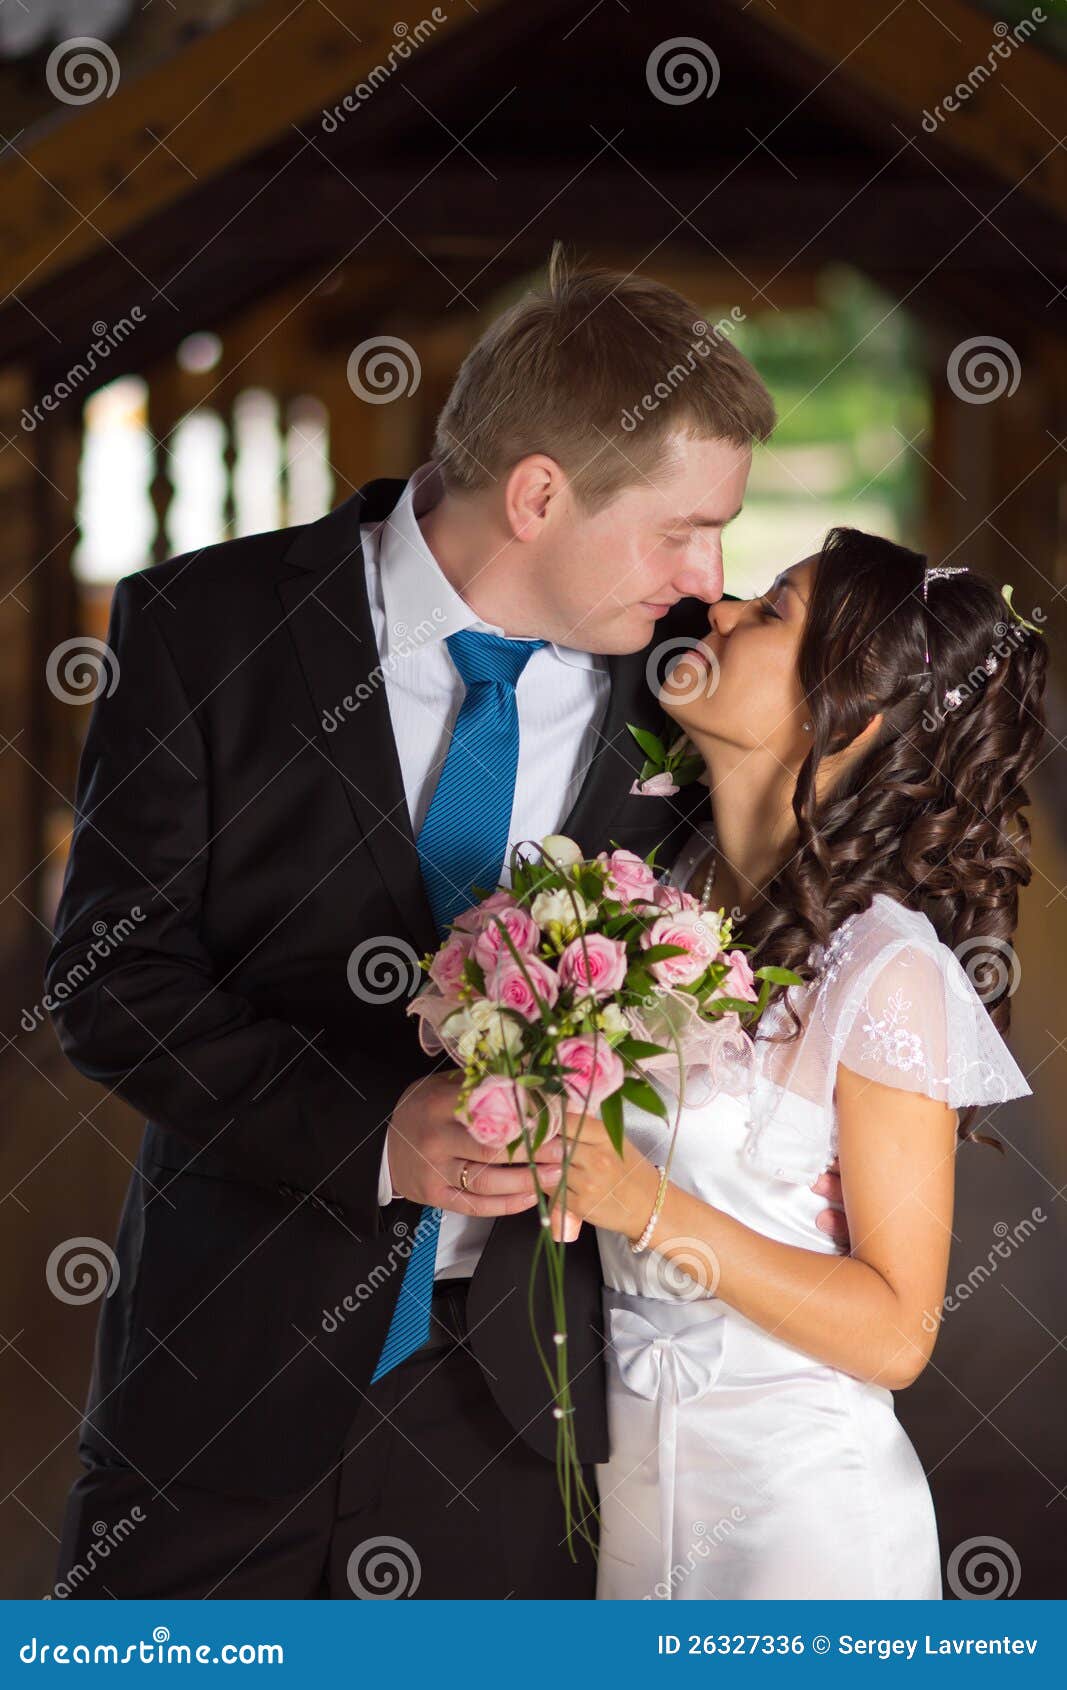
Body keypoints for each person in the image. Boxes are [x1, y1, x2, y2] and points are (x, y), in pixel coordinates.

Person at [47, 250, 844, 1598]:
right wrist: (371, 1133)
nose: (707, 575)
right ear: (537, 493)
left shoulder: (683, 684)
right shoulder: (206, 625)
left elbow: (813, 886)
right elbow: (110, 980)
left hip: (525, 1403)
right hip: (221, 1374)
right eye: (679, 527)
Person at [557, 529, 1046, 1599]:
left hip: (798, 1528)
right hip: (633, 1492)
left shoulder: (882, 971)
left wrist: (636, 1201)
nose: (719, 611)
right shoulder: (660, 890)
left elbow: (894, 1329)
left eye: (769, 610)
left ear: (849, 718)